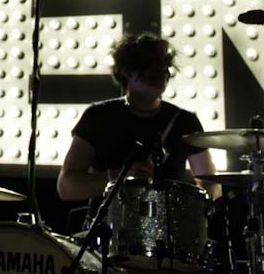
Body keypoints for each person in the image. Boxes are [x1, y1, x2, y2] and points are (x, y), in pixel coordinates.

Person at [57, 32, 220, 203]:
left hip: (170, 226)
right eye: (149, 65)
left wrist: (204, 205)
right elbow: (66, 187)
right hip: (108, 226)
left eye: (163, 65)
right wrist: (120, 176)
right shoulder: (98, 116)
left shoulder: (184, 121)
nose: (160, 71)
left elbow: (210, 184)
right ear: (125, 71)